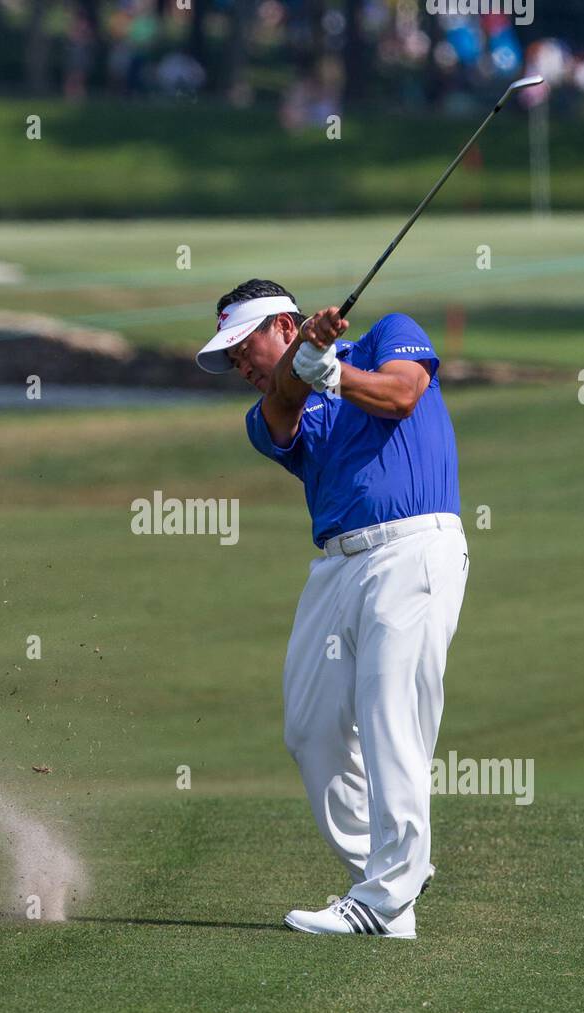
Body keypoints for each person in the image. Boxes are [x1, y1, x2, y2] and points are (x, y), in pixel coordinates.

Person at [195, 279, 468, 939]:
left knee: (389, 714)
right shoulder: (267, 417)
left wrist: (335, 368)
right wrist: (311, 365)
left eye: (245, 347)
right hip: (336, 569)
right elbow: (289, 399)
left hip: (413, 549)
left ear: (284, 326)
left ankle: (384, 900)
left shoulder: (389, 333)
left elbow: (402, 396)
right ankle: (390, 873)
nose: (241, 366)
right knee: (310, 730)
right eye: (231, 359)